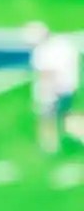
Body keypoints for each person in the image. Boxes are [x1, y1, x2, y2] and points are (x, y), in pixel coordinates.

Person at [28, 21, 80, 153]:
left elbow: (47, 74)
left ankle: (50, 147)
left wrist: (44, 94)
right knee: (66, 115)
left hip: (53, 90)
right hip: (68, 86)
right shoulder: (63, 44)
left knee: (47, 119)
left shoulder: (42, 52)